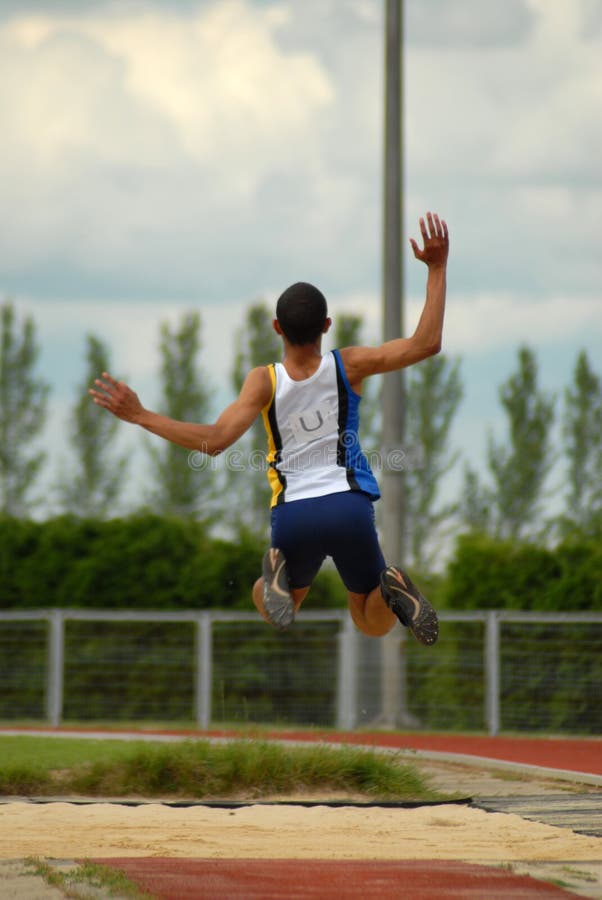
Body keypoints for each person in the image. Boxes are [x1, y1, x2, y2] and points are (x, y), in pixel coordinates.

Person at [90, 211, 449, 646]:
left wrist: (141, 415)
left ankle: (273, 581)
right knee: (372, 620)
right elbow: (424, 344)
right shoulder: (348, 365)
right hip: (349, 507)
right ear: (326, 327)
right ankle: (390, 588)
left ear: (278, 328)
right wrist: (436, 268)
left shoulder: (264, 380)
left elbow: (215, 442)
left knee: (278, 611)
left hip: (294, 513)